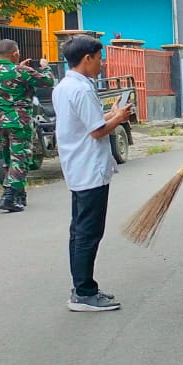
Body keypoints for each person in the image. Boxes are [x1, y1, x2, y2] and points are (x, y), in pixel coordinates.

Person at [53, 37, 133, 312]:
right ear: (87, 58)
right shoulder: (82, 90)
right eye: (99, 58)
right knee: (88, 232)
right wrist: (118, 118)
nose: (102, 64)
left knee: (79, 231)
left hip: (77, 166)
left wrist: (111, 115)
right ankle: (84, 292)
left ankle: (81, 286)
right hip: (89, 167)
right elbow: (97, 131)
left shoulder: (64, 87)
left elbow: (89, 122)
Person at [0, 39, 51, 214]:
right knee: (20, 158)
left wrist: (20, 67)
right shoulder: (22, 72)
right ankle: (9, 196)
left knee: (7, 158)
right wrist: (45, 67)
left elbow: (7, 79)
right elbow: (48, 82)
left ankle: (19, 194)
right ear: (15, 53)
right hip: (18, 121)